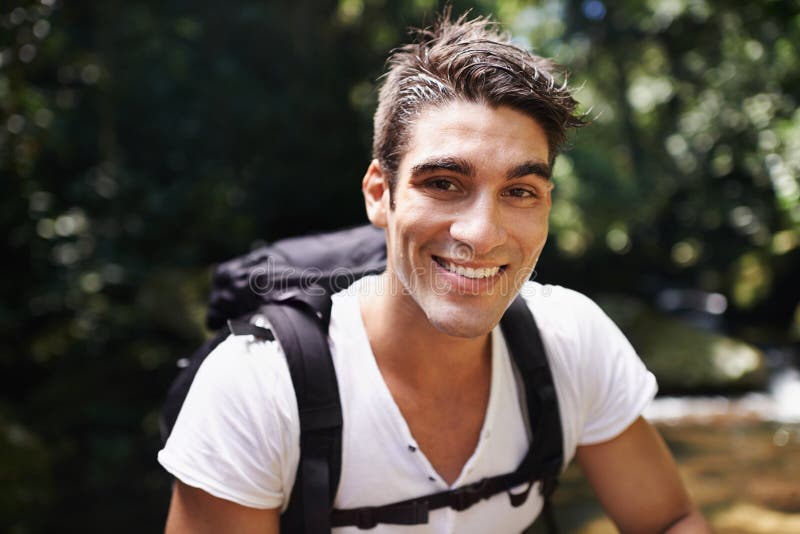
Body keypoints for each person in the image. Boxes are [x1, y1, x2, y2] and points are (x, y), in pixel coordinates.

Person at [159, 10, 711, 533]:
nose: (482, 234)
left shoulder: (571, 342)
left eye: (520, 191)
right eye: (444, 183)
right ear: (380, 194)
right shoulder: (258, 387)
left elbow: (667, 521)